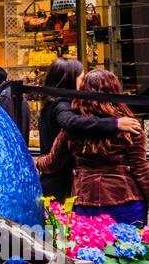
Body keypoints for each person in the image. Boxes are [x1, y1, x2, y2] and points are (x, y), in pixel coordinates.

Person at [36, 69, 149, 227]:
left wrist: (37, 161)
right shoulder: (129, 126)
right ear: (115, 92)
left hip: (86, 201)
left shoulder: (73, 128)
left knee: (90, 249)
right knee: (131, 250)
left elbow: (52, 163)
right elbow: (141, 169)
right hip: (126, 200)